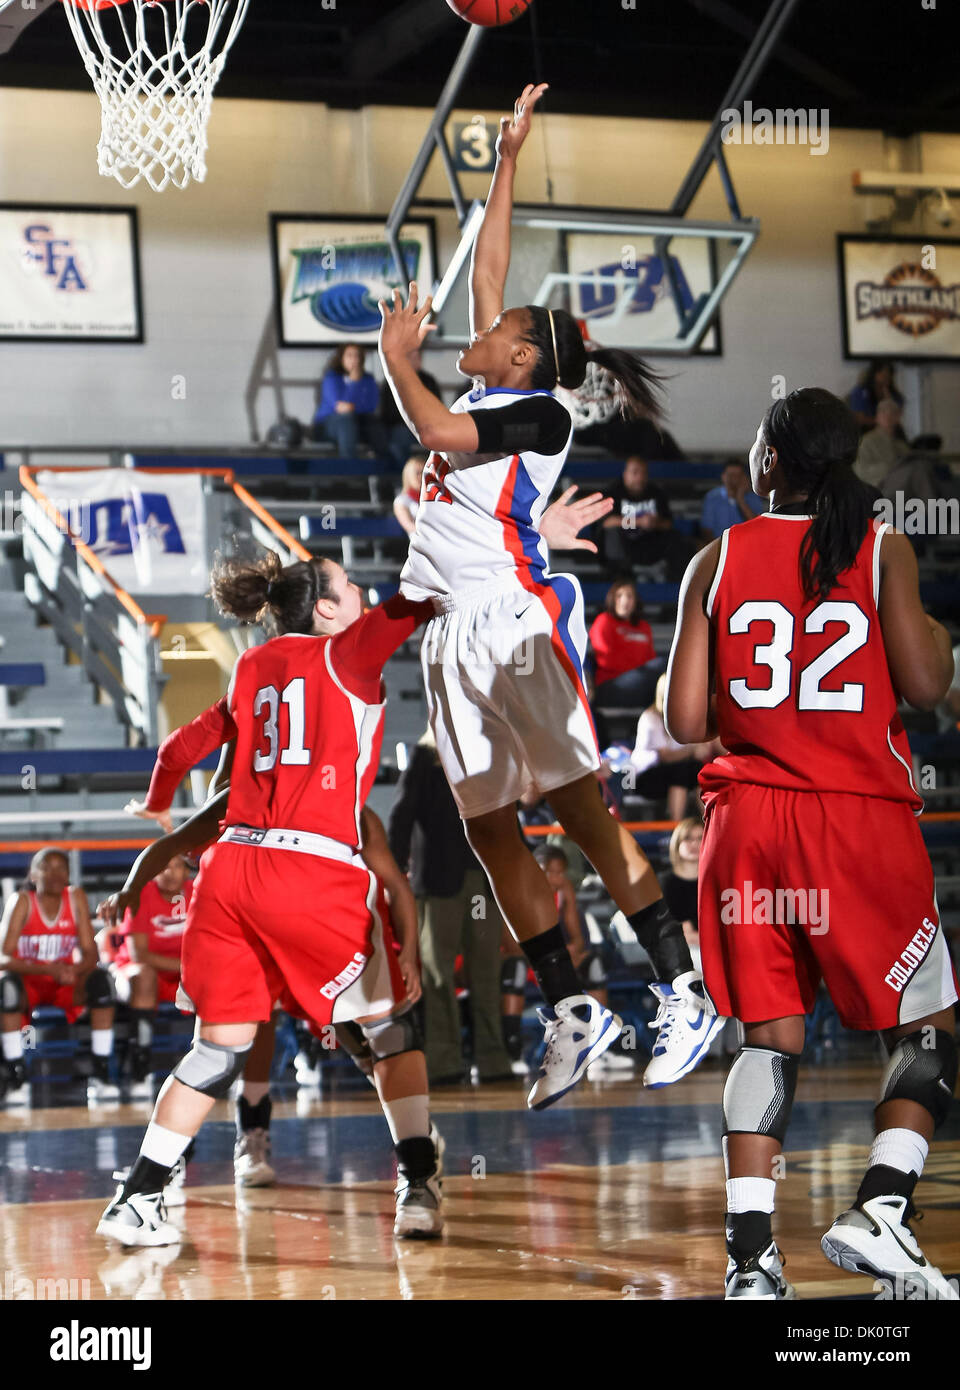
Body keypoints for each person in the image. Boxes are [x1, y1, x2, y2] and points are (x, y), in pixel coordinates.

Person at [379, 81, 722, 1108]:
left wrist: (398, 361)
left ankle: (683, 988)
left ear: (523, 355)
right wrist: (507, 159)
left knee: (580, 811)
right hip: (449, 638)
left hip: (513, 625)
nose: (477, 325)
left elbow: (434, 432)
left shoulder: (540, 415)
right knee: (490, 833)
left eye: (497, 330)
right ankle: (575, 1008)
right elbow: (490, 264)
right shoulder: (500, 379)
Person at [665, 385, 958, 1300]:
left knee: (769, 1041)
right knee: (927, 1025)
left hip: (749, 824)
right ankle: (881, 1205)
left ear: (771, 463)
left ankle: (751, 1260)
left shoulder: (715, 556)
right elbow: (926, 684)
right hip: (855, 821)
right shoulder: (882, 548)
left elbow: (683, 720)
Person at [96, 554, 447, 1247]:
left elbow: (177, 748)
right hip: (309, 866)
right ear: (324, 608)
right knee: (389, 1032)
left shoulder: (251, 666)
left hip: (229, 871)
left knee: (216, 1050)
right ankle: (418, 1183)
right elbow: (424, 592)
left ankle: (137, 1198)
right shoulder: (348, 651)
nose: (363, 593)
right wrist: (514, 538)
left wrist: (158, 805)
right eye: (350, 586)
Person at [101, 792, 442, 1229]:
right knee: (261, 1036)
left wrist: (160, 798)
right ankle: (249, 1138)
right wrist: (156, 817)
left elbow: (395, 883)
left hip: (306, 921)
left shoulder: (343, 806)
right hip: (273, 920)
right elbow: (182, 832)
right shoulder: (248, 797)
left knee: (346, 1038)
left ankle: (415, 1135)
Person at [388, 727, 514, 1086]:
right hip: (438, 881)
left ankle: (492, 1060)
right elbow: (401, 815)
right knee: (438, 975)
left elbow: (508, 815)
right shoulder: (425, 757)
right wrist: (395, 875)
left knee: (485, 971)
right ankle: (445, 1061)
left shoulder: (490, 752)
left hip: (481, 880)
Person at [0, 848, 119, 1105]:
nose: (54, 873)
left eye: (61, 868)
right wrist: (47, 969)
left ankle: (100, 1072)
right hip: (29, 981)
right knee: (5, 989)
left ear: (68, 874)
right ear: (34, 874)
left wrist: (72, 970)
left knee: (102, 983)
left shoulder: (75, 897)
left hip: (64, 981)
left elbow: (90, 953)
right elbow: (3, 958)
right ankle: (16, 1075)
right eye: (47, 867)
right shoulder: (21, 901)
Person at [534, 845, 633, 1077]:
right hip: (535, 960)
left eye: (560, 873)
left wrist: (571, 952)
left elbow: (578, 939)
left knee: (594, 965)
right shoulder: (524, 892)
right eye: (548, 872)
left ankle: (597, 1048)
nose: (555, 878)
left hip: (561, 955)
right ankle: (565, 1048)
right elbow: (518, 945)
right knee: (554, 968)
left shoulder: (564, 889)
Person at [109, 854, 192, 1096]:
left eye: (177, 866)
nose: (170, 872)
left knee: (220, 976)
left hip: (183, 973)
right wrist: (185, 966)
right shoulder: (140, 895)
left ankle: (221, 1063)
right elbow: (140, 955)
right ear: (152, 872)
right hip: (138, 971)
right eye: (163, 866)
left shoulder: (198, 891)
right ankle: (140, 1066)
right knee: (144, 975)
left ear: (187, 871)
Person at [630, 674, 718, 822]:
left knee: (700, 771)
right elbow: (665, 757)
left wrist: (704, 747)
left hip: (675, 772)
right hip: (644, 776)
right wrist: (693, 749)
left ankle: (710, 822)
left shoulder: (684, 717)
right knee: (680, 773)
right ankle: (675, 825)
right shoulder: (651, 718)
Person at [600, 456, 690, 577]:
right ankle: (620, 579)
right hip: (626, 545)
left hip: (651, 543)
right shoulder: (613, 492)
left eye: (644, 473)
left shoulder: (656, 493)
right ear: (625, 474)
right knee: (612, 535)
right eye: (635, 472)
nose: (640, 477)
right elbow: (607, 522)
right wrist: (639, 521)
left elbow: (668, 523)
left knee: (677, 540)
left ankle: (675, 581)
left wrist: (654, 523)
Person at [588, 577, 663, 713]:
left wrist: (641, 668)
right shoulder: (604, 621)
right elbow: (606, 661)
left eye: (629, 596)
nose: (624, 601)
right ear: (612, 599)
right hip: (612, 685)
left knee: (666, 671)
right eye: (619, 596)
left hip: (640, 683)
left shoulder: (644, 627)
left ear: (635, 601)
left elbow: (650, 658)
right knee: (662, 665)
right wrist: (640, 667)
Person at [312, 343, 387, 456]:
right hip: (327, 425)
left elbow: (371, 406)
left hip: (359, 421)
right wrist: (353, 382)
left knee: (375, 425)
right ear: (341, 358)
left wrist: (352, 407)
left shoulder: (368, 379)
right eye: (349, 355)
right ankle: (349, 463)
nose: (354, 360)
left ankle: (383, 463)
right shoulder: (331, 377)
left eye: (357, 356)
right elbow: (340, 408)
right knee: (346, 421)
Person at [380, 349, 443, 466]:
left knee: (441, 439)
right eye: (411, 358)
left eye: (417, 357)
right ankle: (407, 472)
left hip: (426, 426)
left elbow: (438, 408)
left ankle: (428, 470)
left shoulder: (429, 381)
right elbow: (387, 412)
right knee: (399, 439)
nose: (414, 361)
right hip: (401, 425)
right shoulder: (392, 380)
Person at [699, 460, 765, 541]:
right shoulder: (712, 497)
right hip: (719, 544)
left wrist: (740, 499)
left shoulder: (753, 498)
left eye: (738, 475)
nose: (734, 479)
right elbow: (706, 529)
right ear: (723, 476)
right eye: (730, 475)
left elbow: (757, 527)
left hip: (746, 543)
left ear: (744, 477)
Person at [854, 398, 908, 490]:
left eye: (892, 413)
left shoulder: (901, 446)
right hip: (877, 489)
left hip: (900, 489)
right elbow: (860, 471)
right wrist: (890, 468)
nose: (888, 417)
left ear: (898, 417)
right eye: (883, 412)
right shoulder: (866, 442)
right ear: (877, 417)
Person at [846, 359, 904, 433]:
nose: (885, 378)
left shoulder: (894, 394)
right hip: (865, 430)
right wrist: (880, 421)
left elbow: (897, 416)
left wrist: (888, 400)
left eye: (888, 375)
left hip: (889, 431)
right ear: (874, 374)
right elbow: (859, 419)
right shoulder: (861, 391)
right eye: (882, 374)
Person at [393, 454, 426, 537]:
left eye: (424, 472)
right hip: (421, 540)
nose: (422, 476)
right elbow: (409, 526)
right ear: (409, 476)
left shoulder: (435, 495)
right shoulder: (401, 501)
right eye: (418, 473)